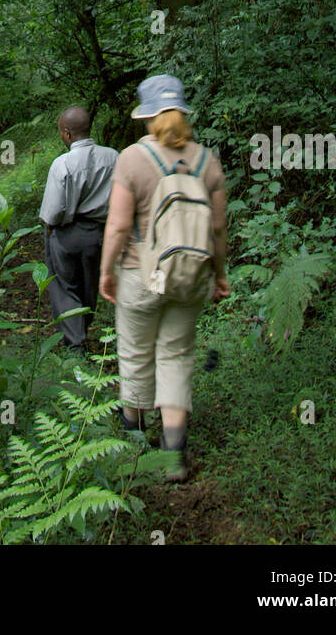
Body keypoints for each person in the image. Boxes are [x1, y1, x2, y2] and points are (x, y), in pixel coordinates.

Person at [99, 75, 229, 479]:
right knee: (175, 357)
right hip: (190, 278)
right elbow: (219, 230)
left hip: (140, 275)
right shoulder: (208, 161)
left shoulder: (132, 159)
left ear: (146, 116)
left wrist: (106, 272)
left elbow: (118, 227)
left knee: (135, 357)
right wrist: (219, 275)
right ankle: (173, 459)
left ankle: (136, 453)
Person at [39, 106, 118, 353]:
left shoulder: (62, 164)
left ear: (68, 133)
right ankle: (83, 325)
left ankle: (75, 344)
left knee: (65, 286)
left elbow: (52, 212)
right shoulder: (113, 157)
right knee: (89, 283)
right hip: (99, 233)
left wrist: (50, 229)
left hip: (67, 233)